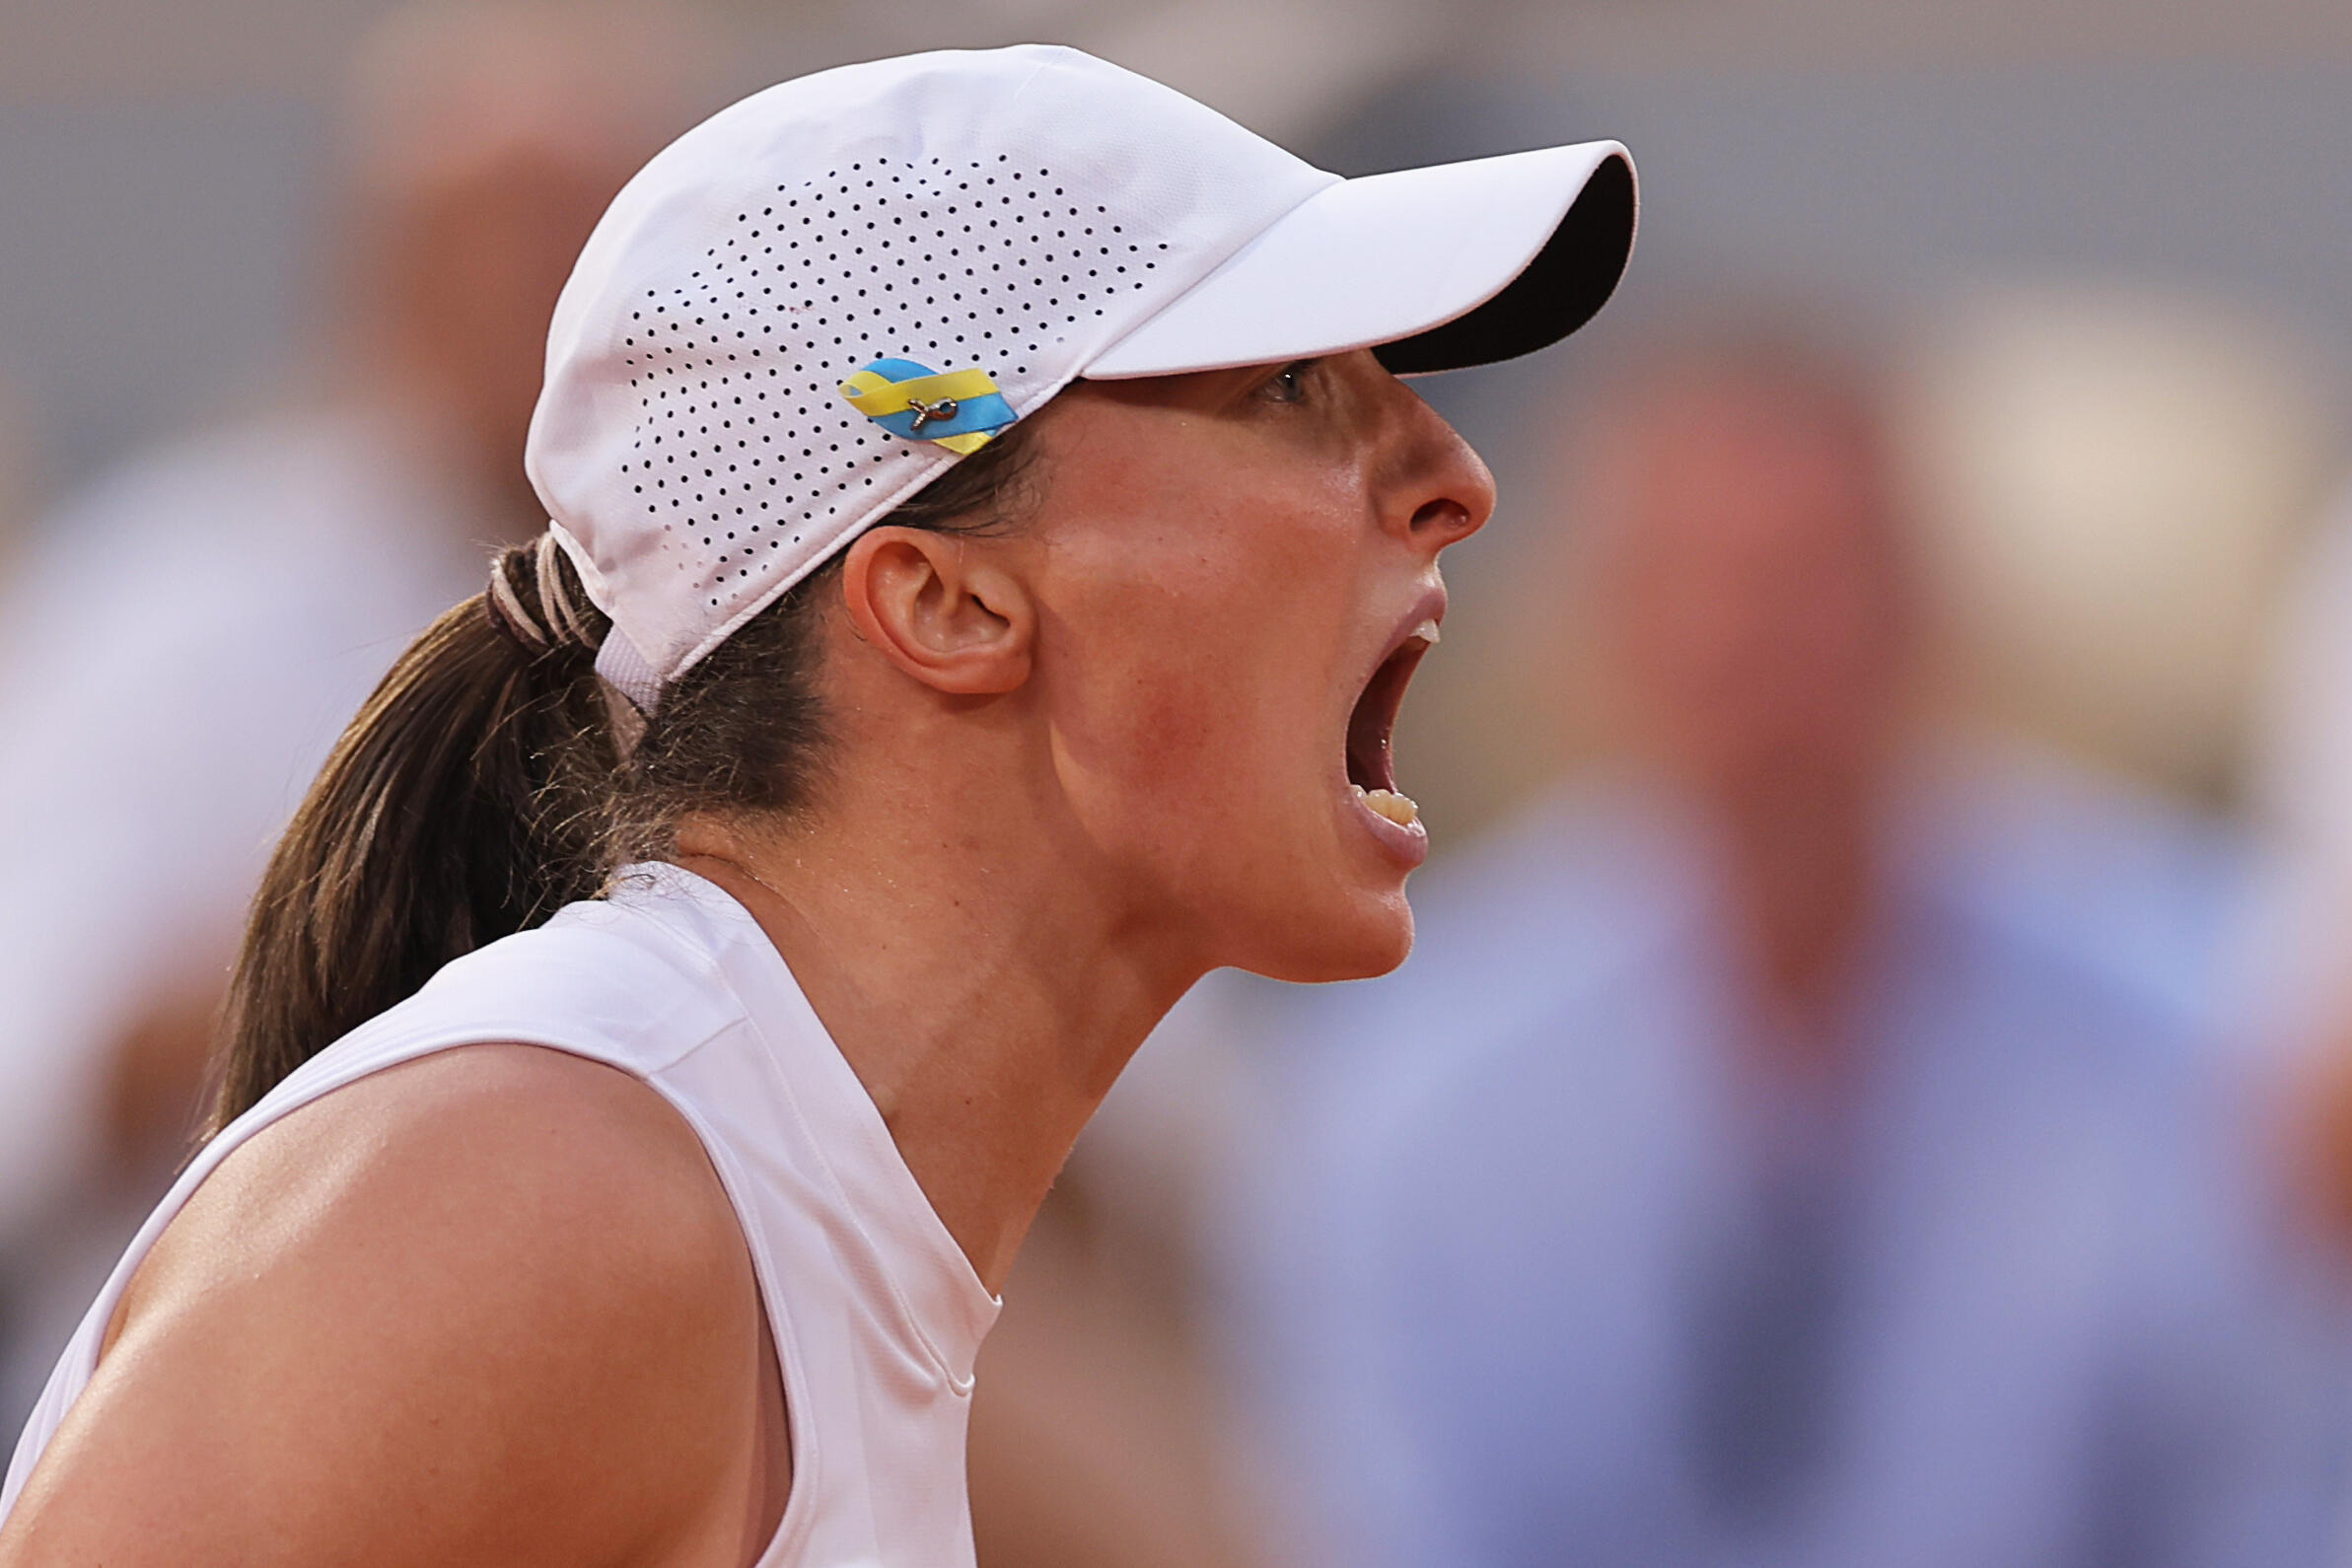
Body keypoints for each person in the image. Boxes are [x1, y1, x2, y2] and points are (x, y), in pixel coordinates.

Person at [0, 43, 1638, 1568]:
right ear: (947, 603)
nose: (1452, 473)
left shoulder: (720, 1196)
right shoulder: (553, 1190)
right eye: (1292, 387)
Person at [1218, 333, 2342, 1568]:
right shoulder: (1409, 1073)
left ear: (1931, 614)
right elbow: (1377, 1512)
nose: (1749, 654)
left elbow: (2277, 1491)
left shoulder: (2212, 1023)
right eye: (1693, 586)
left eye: (1810, 584)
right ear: (1590, 636)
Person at [0, 0, 686, 1425]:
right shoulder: (181, 597)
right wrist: (486, 937)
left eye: (603, 237)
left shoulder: (767, 604)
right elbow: (48, 1054)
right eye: (507, 230)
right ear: (382, 267)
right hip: (246, 1386)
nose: (557, 290)